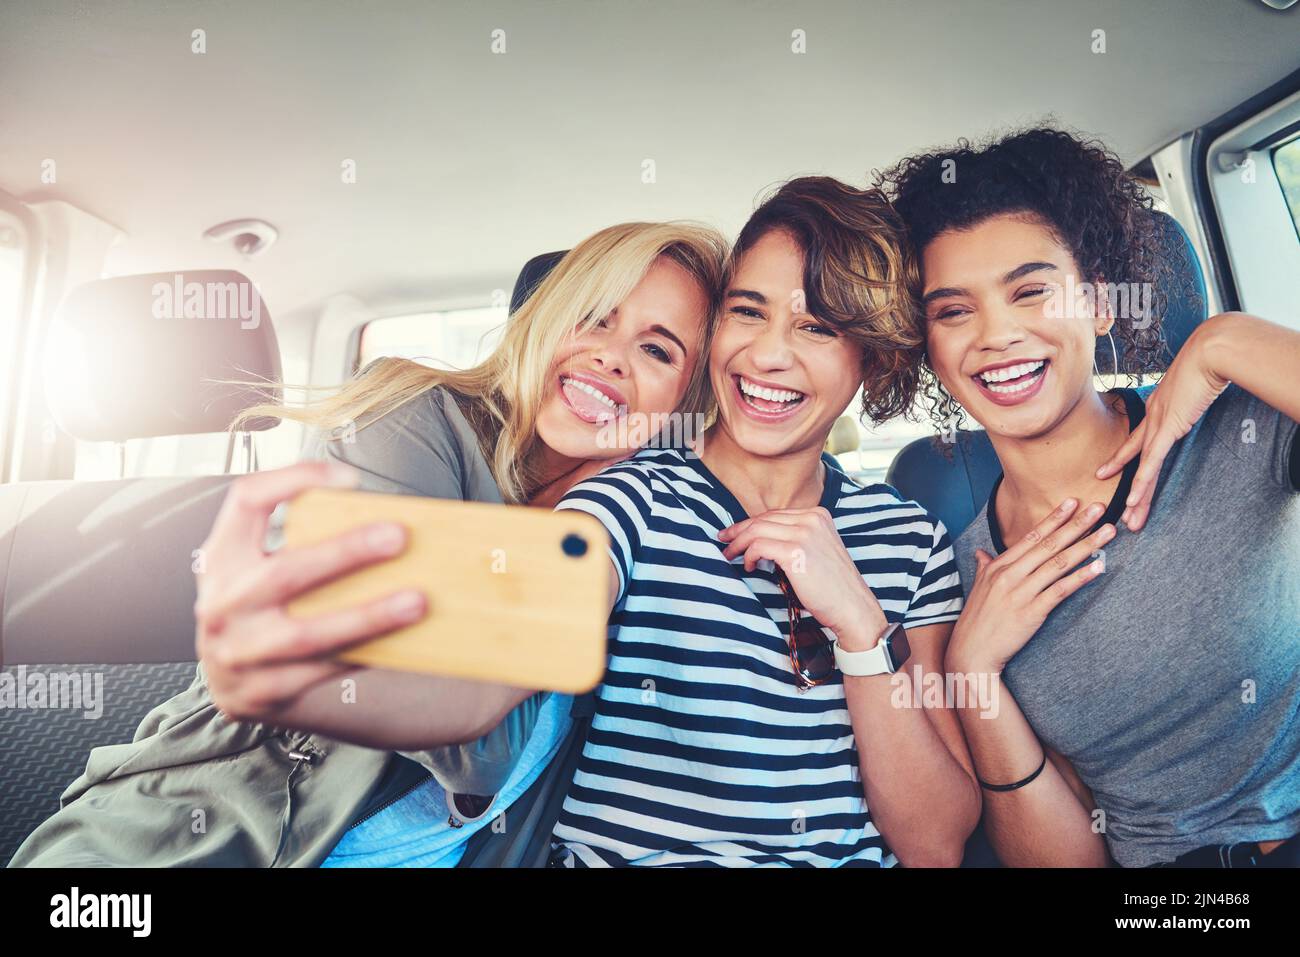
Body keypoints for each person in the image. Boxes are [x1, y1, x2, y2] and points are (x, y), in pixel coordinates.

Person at [10, 220, 727, 868]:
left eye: (657, 349)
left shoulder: (642, 529)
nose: (610, 356)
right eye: (591, 317)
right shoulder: (407, 416)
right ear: (544, 321)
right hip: (199, 839)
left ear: (683, 405)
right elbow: (473, 747)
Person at [878, 127, 1300, 867]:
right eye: (953, 311)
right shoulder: (955, 583)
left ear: (1100, 303)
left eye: (1031, 291)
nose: (997, 334)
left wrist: (1224, 340)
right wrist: (975, 677)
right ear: (930, 351)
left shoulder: (1241, 428)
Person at [544, 177, 980, 866]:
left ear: (872, 358)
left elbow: (935, 843)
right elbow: (547, 610)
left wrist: (861, 629)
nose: (769, 355)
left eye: (816, 327)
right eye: (748, 312)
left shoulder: (909, 540)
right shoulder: (629, 497)